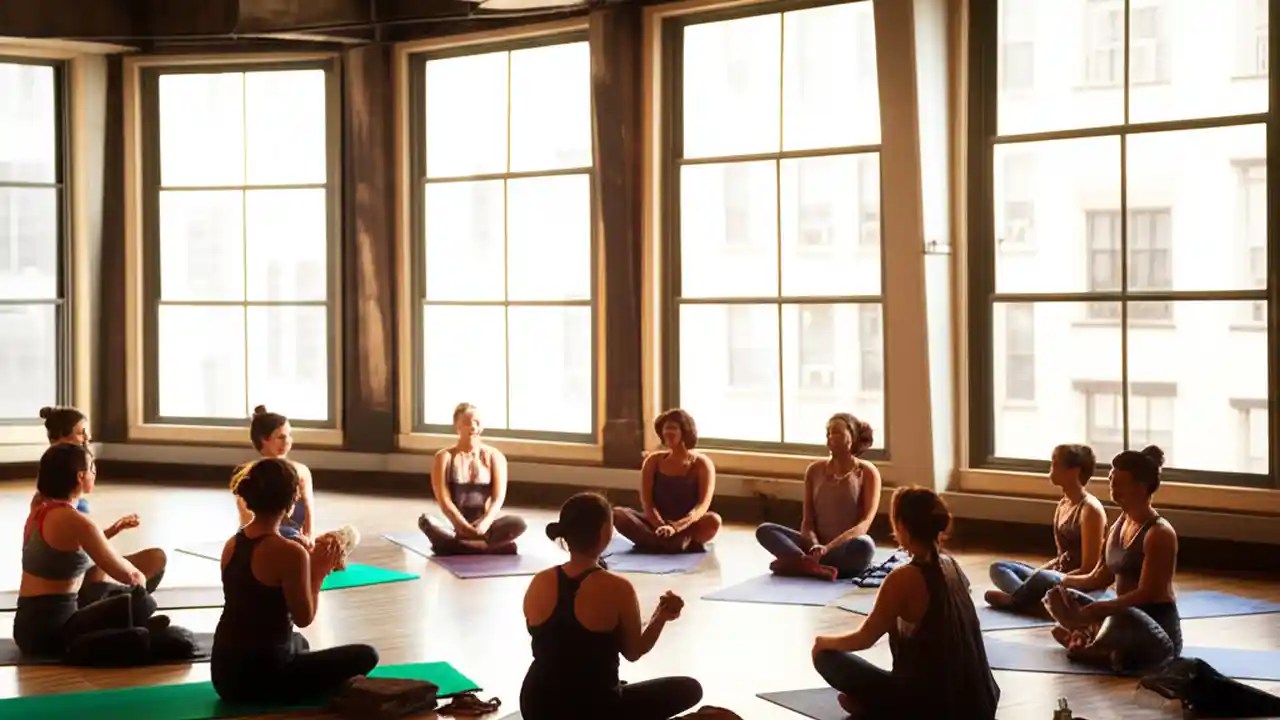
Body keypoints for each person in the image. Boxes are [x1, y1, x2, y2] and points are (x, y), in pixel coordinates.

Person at [811, 487, 1000, 719]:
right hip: (980, 704)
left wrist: (822, 642)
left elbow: (864, 638)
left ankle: (879, 709)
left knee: (826, 657)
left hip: (931, 709)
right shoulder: (953, 566)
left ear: (902, 526)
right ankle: (874, 707)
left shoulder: (904, 578)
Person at [520, 492, 703, 720]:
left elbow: (562, 643)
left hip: (536, 707)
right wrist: (661, 617)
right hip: (596, 710)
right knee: (689, 688)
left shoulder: (539, 581)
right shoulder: (618, 587)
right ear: (606, 532)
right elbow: (634, 651)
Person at [212, 458, 379, 703]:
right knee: (367, 655)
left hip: (224, 675)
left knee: (298, 642)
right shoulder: (290, 552)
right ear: (292, 500)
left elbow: (254, 603)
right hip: (263, 679)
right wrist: (319, 571)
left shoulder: (232, 544)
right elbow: (304, 618)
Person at [14, 444, 166, 662]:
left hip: (25, 629)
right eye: (92, 468)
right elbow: (131, 575)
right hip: (56, 632)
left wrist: (113, 530)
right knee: (144, 603)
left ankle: (130, 628)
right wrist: (141, 596)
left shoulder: (38, 509)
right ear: (80, 476)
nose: (95, 473)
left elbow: (70, 548)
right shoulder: (77, 522)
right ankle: (135, 628)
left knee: (108, 595)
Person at [1043, 445, 1181, 674]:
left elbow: (1147, 594)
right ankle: (1096, 643)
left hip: (1154, 629)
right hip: (1121, 613)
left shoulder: (1159, 533)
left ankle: (1090, 641)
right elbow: (1100, 576)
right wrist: (1062, 583)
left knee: (1119, 616)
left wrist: (1100, 609)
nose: (1112, 488)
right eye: (1111, 480)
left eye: (1120, 483)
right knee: (1059, 597)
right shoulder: (1119, 525)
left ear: (1141, 487)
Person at [755, 414, 881, 580]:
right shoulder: (814, 470)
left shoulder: (867, 472)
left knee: (865, 545)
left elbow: (864, 525)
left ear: (852, 437)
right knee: (765, 530)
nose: (830, 437)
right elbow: (807, 522)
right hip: (812, 548)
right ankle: (810, 565)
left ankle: (800, 564)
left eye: (836, 433)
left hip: (843, 548)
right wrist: (815, 545)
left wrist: (828, 548)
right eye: (828, 432)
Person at [985, 444, 1106, 613]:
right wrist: (1039, 574)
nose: (1051, 468)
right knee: (999, 568)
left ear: (1074, 471)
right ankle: (1038, 603)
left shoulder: (1090, 510)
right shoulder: (1064, 503)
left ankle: (1019, 601)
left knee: (1042, 578)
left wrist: (1049, 578)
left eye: (1056, 464)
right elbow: (1060, 557)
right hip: (1054, 578)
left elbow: (1090, 568)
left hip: (1078, 583)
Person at [418, 403, 527, 555]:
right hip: (454, 526)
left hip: (485, 527)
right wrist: (462, 526)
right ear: (457, 426)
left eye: (477, 423)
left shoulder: (495, 456)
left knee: (519, 523)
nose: (473, 427)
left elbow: (498, 499)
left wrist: (484, 524)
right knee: (426, 521)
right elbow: (444, 500)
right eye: (467, 423)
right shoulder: (444, 457)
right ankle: (484, 546)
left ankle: (460, 546)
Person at [612, 409, 720, 553]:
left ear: (685, 431)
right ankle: (671, 544)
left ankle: (660, 543)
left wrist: (675, 527)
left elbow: (701, 506)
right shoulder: (653, 460)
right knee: (618, 514)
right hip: (655, 525)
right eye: (665, 428)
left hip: (686, 525)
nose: (668, 432)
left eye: (673, 428)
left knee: (713, 520)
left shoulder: (701, 463)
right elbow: (648, 504)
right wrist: (661, 526)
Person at [233, 406, 315, 547]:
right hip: (259, 539)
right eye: (281, 437)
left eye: (289, 435)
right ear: (264, 440)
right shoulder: (250, 473)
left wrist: (308, 537)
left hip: (295, 538)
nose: (287, 441)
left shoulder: (301, 471)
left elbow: (308, 507)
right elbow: (247, 517)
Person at [34, 406, 92, 514]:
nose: (87, 438)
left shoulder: (81, 458)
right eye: (80, 433)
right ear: (58, 438)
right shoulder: (54, 463)